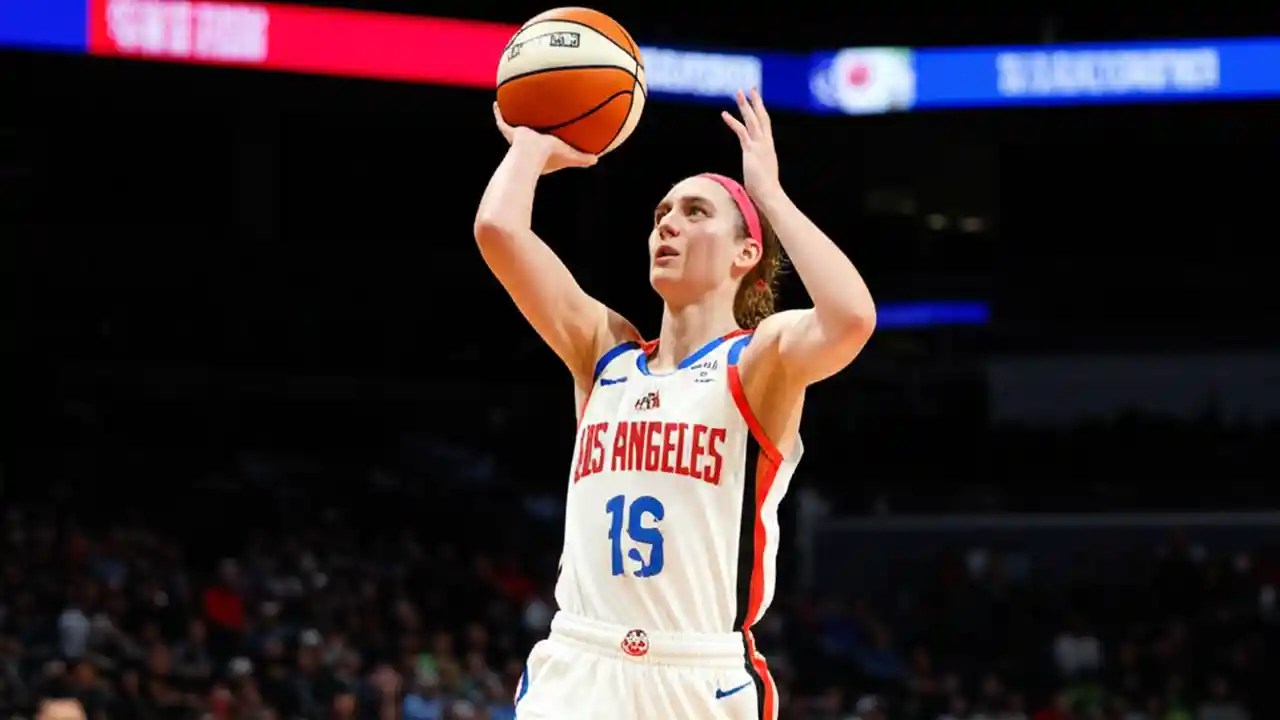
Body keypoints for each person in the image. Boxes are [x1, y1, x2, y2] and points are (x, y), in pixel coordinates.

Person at [474, 89, 876, 720]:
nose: (667, 223)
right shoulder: (603, 350)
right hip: (582, 661)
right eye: (663, 212)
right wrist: (531, 144)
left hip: (698, 676)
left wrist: (768, 195)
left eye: (694, 212)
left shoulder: (759, 361)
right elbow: (498, 230)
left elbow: (852, 318)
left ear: (747, 252)